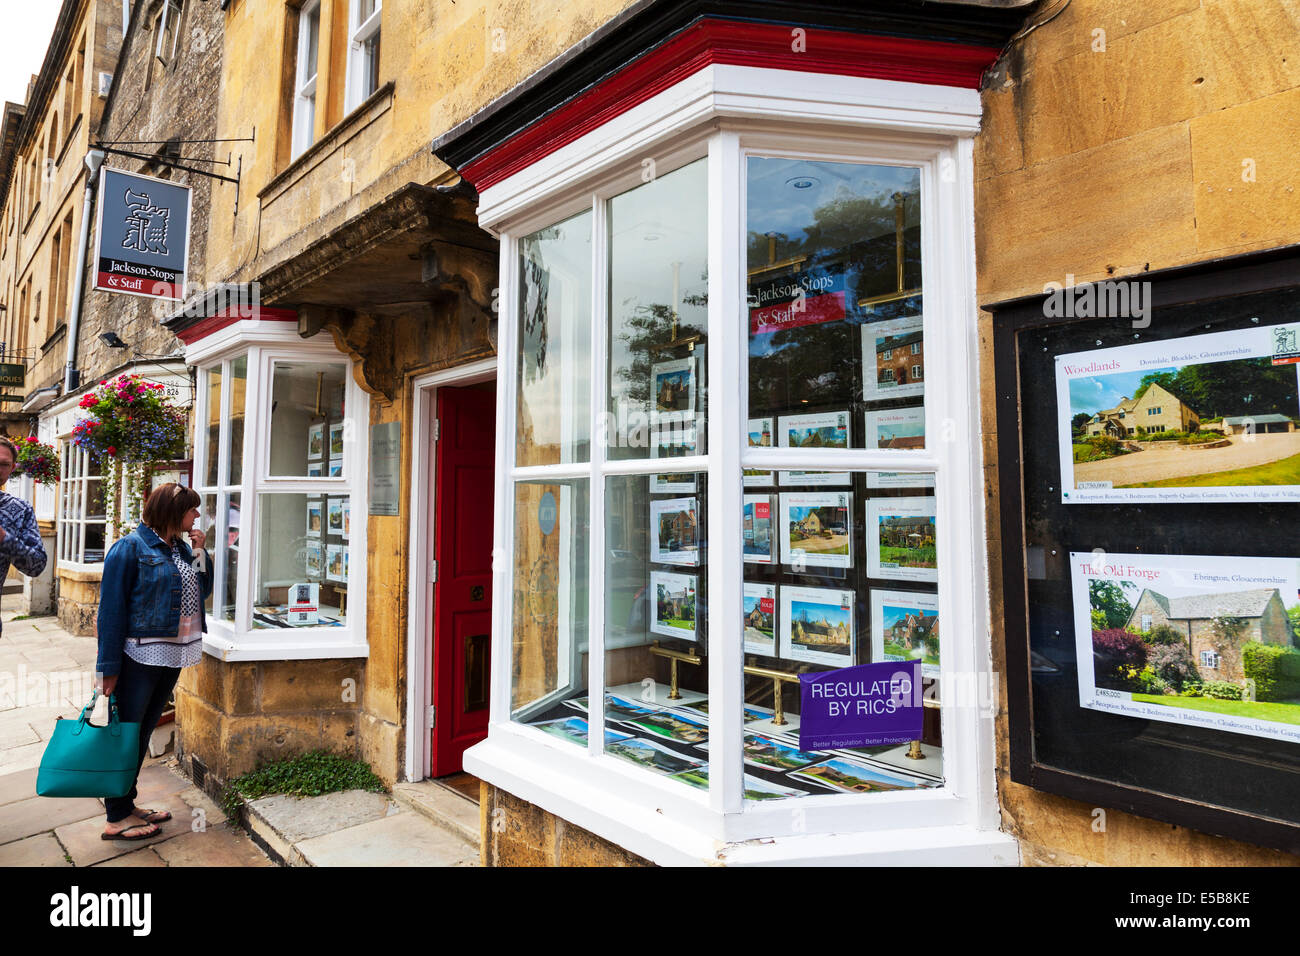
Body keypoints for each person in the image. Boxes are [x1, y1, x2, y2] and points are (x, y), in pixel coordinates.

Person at [96, 483, 212, 840]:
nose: (196, 517)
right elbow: (110, 613)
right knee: (127, 733)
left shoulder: (179, 547)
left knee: (143, 731)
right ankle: (116, 816)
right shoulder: (128, 549)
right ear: (173, 513)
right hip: (139, 655)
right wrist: (108, 669)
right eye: (192, 510)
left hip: (172, 652)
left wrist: (200, 552)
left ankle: (127, 804)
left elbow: (202, 589)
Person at [0, 436, 48, 630]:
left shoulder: (19, 509)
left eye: (4, 464)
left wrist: (4, 539)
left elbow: (37, 565)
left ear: (12, 469)